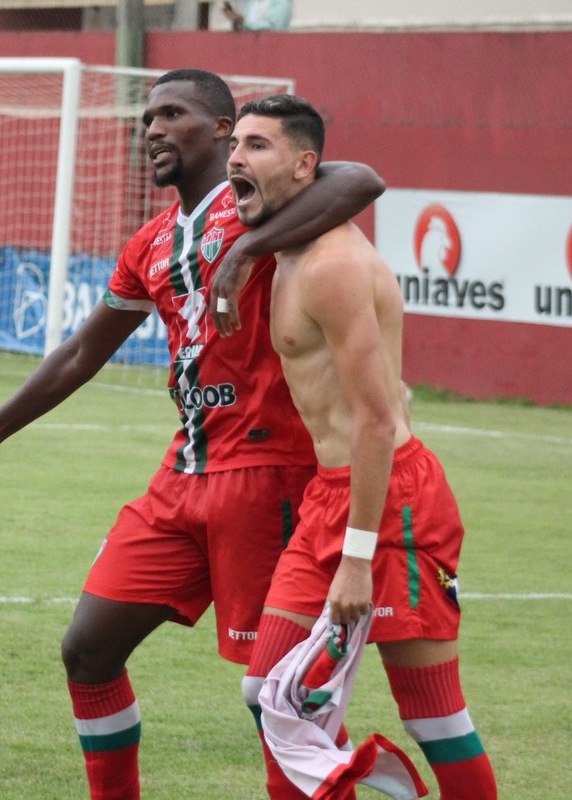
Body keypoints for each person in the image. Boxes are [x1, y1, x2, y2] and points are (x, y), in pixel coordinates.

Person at [0, 69, 384, 800]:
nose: (151, 130)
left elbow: (360, 179)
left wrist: (247, 250)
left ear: (222, 131)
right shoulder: (149, 242)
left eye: (172, 114)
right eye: (147, 118)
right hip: (183, 477)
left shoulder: (263, 207)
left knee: (275, 697)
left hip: (267, 475)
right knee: (88, 650)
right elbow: (82, 354)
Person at [223, 94, 497, 799]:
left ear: (305, 166)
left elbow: (376, 421)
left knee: (434, 716)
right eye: (236, 144)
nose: (236, 158)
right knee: (268, 692)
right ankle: (364, 776)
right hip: (329, 494)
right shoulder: (281, 243)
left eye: (257, 145)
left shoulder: (333, 264)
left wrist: (356, 559)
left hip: (393, 500)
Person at [221, 0, 292, 31]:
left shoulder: (280, 2)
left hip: (274, 48)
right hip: (251, 49)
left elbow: (272, 27)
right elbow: (245, 26)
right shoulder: (251, 3)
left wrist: (244, 22)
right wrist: (235, 19)